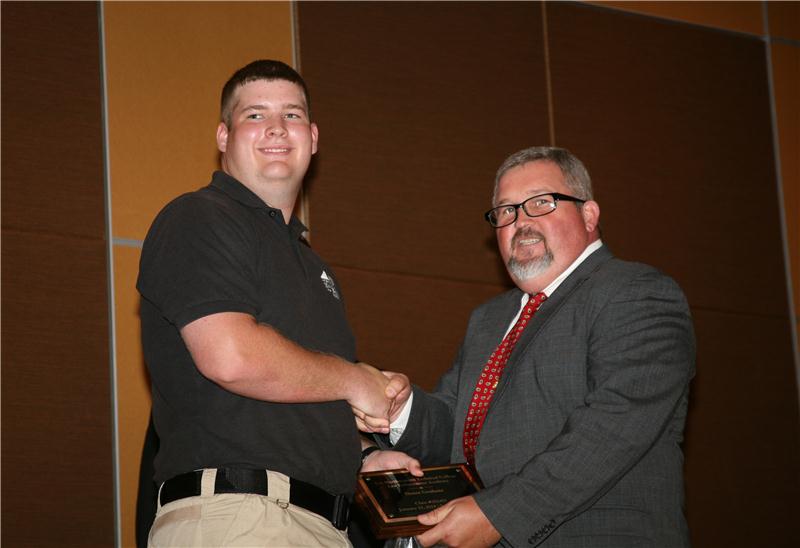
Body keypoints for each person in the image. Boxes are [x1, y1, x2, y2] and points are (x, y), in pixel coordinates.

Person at [137, 59, 410, 547]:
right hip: (239, 517)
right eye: (256, 115)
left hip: (321, 525)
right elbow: (231, 356)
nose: (277, 129)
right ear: (223, 136)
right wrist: (356, 379)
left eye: (293, 115)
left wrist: (365, 456)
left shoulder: (315, 267)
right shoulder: (198, 218)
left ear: (314, 136)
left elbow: (304, 391)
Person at [372, 147, 696, 547]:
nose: (520, 222)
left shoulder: (636, 292)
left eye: (540, 203)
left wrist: (499, 514)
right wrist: (398, 407)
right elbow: (456, 429)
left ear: (589, 215)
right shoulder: (488, 320)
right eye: (506, 211)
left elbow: (613, 427)